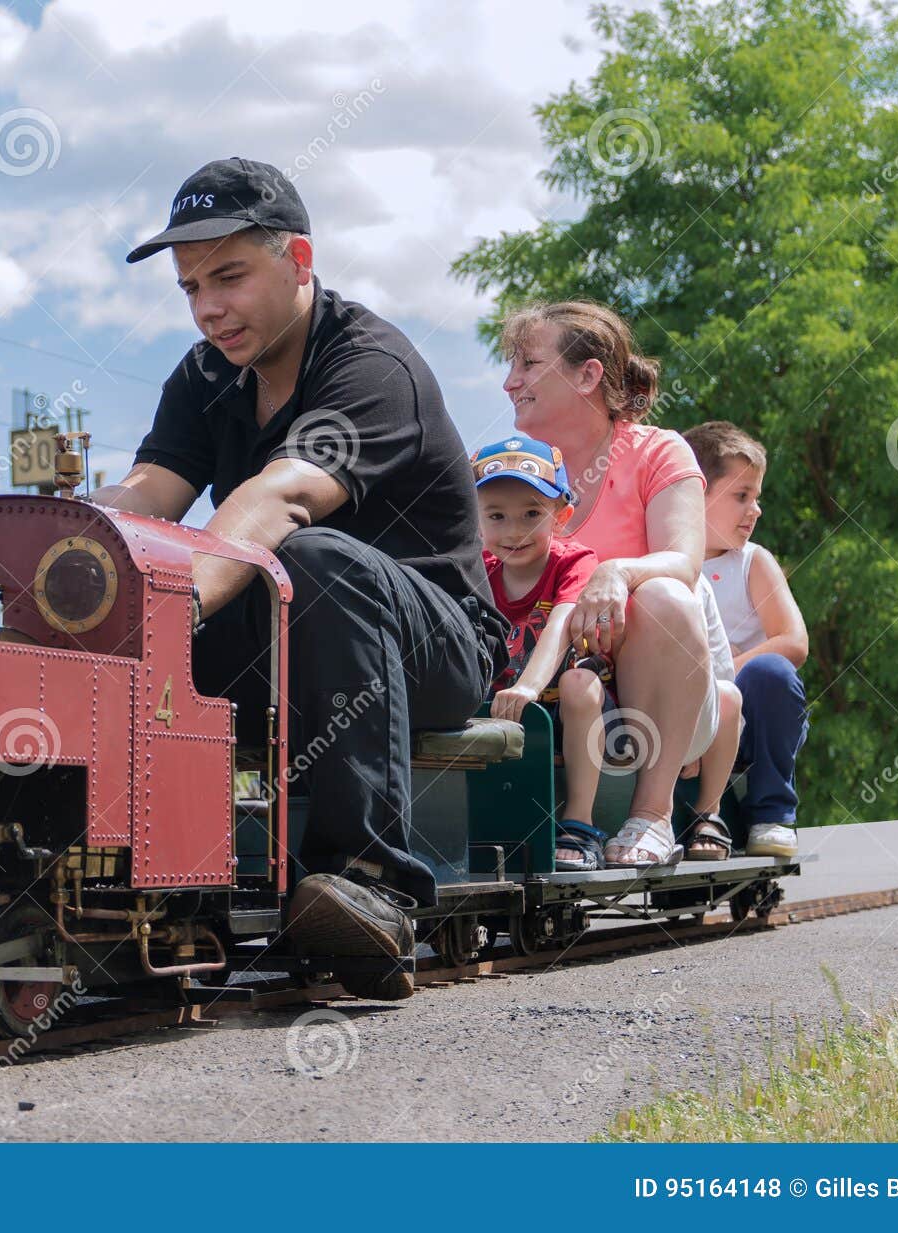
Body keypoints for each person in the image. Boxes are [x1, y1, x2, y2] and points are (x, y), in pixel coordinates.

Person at [94, 157, 509, 1000]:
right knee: (119, 639)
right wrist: (71, 577)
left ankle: (368, 884)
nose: (209, 306)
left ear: (299, 261)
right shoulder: (206, 376)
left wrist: (157, 623)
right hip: (284, 636)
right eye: (190, 287)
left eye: (230, 276)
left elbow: (278, 500)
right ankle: (107, 882)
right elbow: (144, 501)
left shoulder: (370, 364)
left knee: (304, 560)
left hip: (434, 647)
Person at [498, 301, 718, 868]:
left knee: (664, 592)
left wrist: (615, 571)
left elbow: (685, 563)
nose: (508, 382)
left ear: (587, 375)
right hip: (564, 682)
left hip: (665, 688)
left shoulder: (657, 450)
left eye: (527, 364)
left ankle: (653, 813)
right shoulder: (519, 474)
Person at [470, 435, 611, 872]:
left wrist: (529, 685)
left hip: (566, 701)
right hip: (504, 703)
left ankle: (580, 824)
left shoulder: (572, 563)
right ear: (476, 521)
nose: (515, 530)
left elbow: (560, 626)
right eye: (497, 515)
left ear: (561, 516)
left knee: (580, 682)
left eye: (532, 513)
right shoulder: (478, 571)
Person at [683, 421, 807, 859]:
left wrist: (727, 668)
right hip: (681, 712)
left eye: (757, 498)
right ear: (695, 492)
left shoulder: (752, 562)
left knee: (770, 670)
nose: (754, 510)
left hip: (754, 719)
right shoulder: (663, 560)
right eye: (741, 496)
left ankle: (773, 813)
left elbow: (793, 641)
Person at [678, 578, 744, 859]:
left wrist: (697, 735)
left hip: (681, 710)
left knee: (727, 696)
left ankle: (708, 813)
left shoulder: (694, 583)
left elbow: (717, 671)